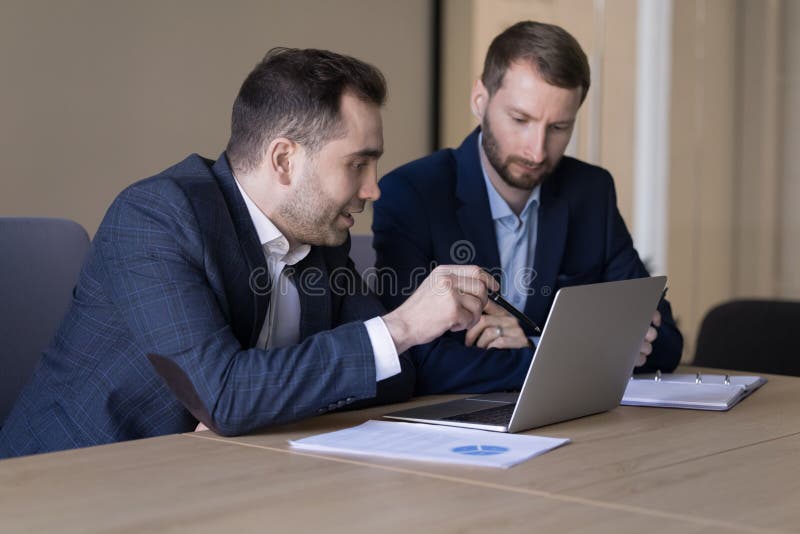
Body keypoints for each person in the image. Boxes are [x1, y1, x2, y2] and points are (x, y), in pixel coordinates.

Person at [0, 48, 498, 458]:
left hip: (212, 475)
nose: (374, 189)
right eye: (358, 164)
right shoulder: (155, 218)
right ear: (285, 160)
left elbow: (393, 378)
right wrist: (404, 325)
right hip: (71, 479)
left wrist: (258, 400)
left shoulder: (323, 235)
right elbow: (227, 397)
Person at [373, 21, 683, 394]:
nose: (537, 151)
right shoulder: (411, 194)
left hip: (573, 425)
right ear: (480, 100)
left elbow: (665, 341)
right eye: (520, 120)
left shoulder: (590, 192)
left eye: (558, 128)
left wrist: (531, 347)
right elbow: (421, 363)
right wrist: (587, 352)